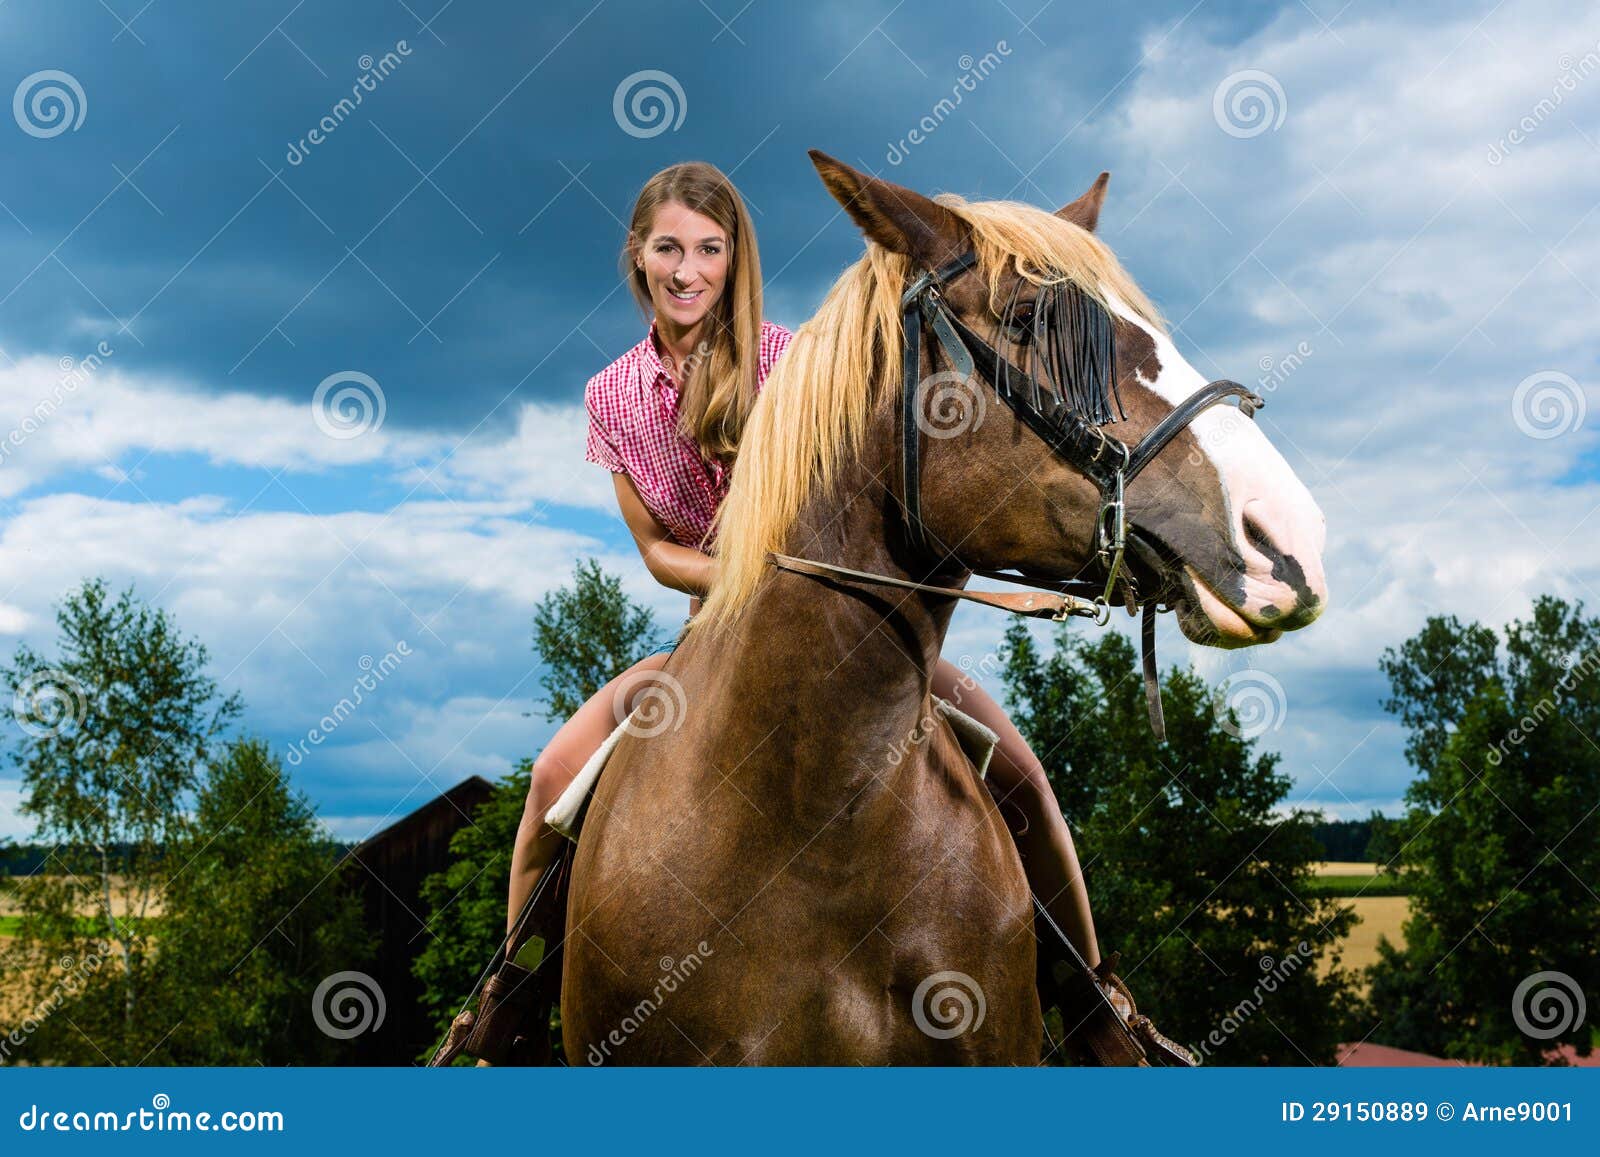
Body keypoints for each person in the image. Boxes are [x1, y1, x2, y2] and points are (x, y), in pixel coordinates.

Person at [504, 160, 1110, 985]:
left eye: (710, 249)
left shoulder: (796, 361)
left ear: (734, 258)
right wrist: (750, 572)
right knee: (550, 780)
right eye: (669, 249)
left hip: (849, 632)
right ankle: (511, 1002)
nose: (689, 271)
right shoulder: (610, 394)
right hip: (705, 642)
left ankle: (1096, 1001)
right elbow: (654, 550)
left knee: (1024, 779)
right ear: (638, 256)